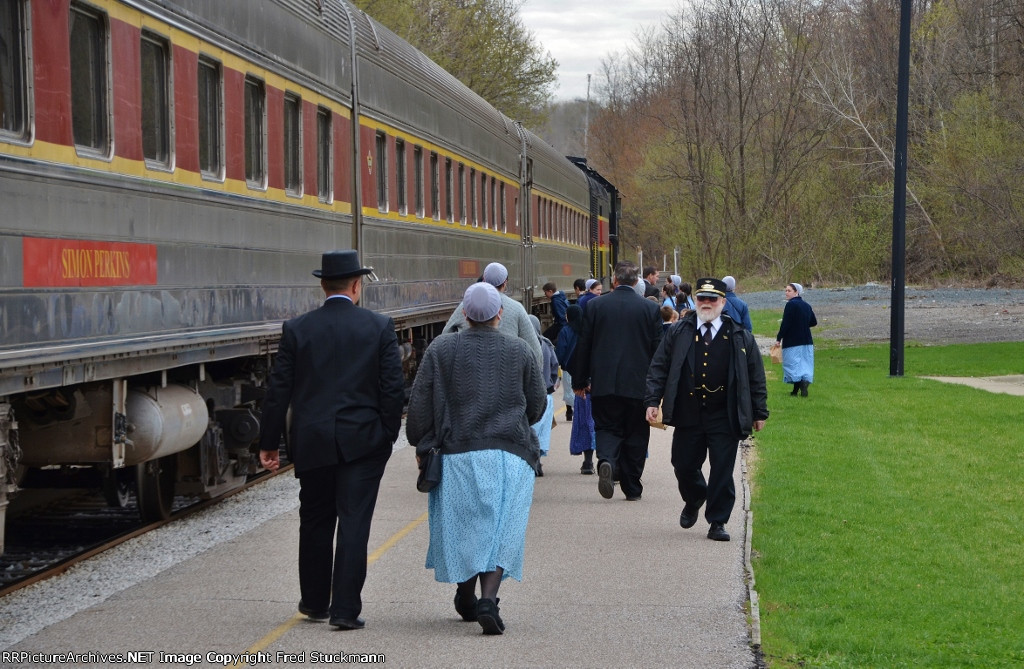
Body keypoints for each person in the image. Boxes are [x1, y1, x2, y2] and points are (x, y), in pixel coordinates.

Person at [258, 250, 405, 630]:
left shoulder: (297, 329)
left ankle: (313, 602)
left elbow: (279, 391)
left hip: (314, 440)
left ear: (323, 285)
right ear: (356, 286)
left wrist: (269, 441)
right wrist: (387, 435)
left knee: (315, 520)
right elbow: (392, 390)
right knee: (354, 524)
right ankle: (344, 610)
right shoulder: (379, 327)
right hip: (364, 441)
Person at [406, 282, 546, 635]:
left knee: (464, 525)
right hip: (510, 452)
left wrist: (421, 444)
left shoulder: (441, 349)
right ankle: (488, 599)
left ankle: (466, 597)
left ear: (464, 315)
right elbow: (538, 404)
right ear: (501, 314)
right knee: (503, 527)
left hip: (458, 453)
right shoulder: (520, 350)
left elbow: (420, 405)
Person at [644, 277, 768, 542]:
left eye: (713, 299)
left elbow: (755, 375)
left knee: (722, 470)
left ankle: (718, 522)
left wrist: (760, 411)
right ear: (695, 300)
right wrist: (652, 400)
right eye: (702, 298)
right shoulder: (679, 331)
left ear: (723, 302)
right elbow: (659, 366)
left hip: (725, 413)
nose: (707, 303)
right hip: (689, 412)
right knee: (683, 464)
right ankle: (695, 496)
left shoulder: (739, 335)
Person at [573, 261, 662, 500]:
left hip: (604, 383)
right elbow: (658, 352)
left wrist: (580, 380)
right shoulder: (650, 310)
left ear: (614, 281)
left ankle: (607, 461)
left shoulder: (595, 306)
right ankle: (632, 487)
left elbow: (584, 345)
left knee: (607, 427)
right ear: (636, 283)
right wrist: (659, 387)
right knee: (636, 433)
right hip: (638, 385)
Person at [443, 262, 542, 365]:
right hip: (507, 370)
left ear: (484, 280)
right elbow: (535, 351)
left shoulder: (468, 305)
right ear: (505, 283)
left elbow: (446, 335)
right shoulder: (517, 308)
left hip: (469, 369)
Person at [556, 304, 596, 473]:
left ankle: (587, 461)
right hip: (597, 382)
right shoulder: (590, 331)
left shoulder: (565, 331)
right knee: (601, 422)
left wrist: (569, 371)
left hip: (579, 382)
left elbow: (561, 355)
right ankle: (607, 458)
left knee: (584, 421)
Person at [529, 314, 560, 475]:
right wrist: (551, 383)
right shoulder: (547, 344)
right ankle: (539, 462)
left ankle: (530, 461)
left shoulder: (523, 345)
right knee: (542, 431)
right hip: (545, 394)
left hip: (528, 395)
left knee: (530, 429)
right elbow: (555, 368)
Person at [776, 282, 817, 397]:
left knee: (792, 365)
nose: (786, 293)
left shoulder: (790, 305)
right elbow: (813, 322)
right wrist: (803, 324)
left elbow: (786, 323)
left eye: (789, 291)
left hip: (793, 341)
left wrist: (779, 338)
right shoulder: (806, 305)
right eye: (786, 290)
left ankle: (797, 388)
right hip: (807, 341)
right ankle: (799, 388)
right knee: (805, 365)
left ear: (796, 292)